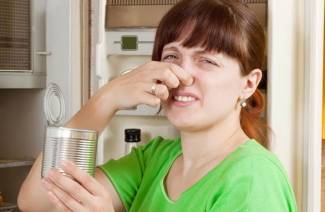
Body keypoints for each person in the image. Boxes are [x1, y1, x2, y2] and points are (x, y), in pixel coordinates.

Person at [18, 0, 297, 211]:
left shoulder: (254, 179)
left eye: (207, 61)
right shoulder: (154, 159)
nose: (181, 75)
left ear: (248, 84)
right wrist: (106, 99)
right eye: (172, 56)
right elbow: (38, 202)